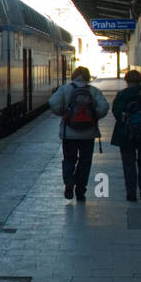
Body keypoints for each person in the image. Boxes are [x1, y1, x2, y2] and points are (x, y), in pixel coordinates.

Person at [48, 66, 109, 202]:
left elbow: (53, 103)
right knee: (85, 161)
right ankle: (81, 191)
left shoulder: (65, 89)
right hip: (88, 134)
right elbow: (104, 107)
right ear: (87, 77)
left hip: (69, 133)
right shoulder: (93, 91)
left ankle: (69, 182)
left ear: (73, 76)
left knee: (69, 159)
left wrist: (64, 114)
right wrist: (93, 116)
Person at [110, 69, 141, 201]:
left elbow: (116, 113)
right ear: (140, 81)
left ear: (127, 81)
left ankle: (131, 193)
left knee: (128, 164)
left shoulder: (121, 96)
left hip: (125, 135)